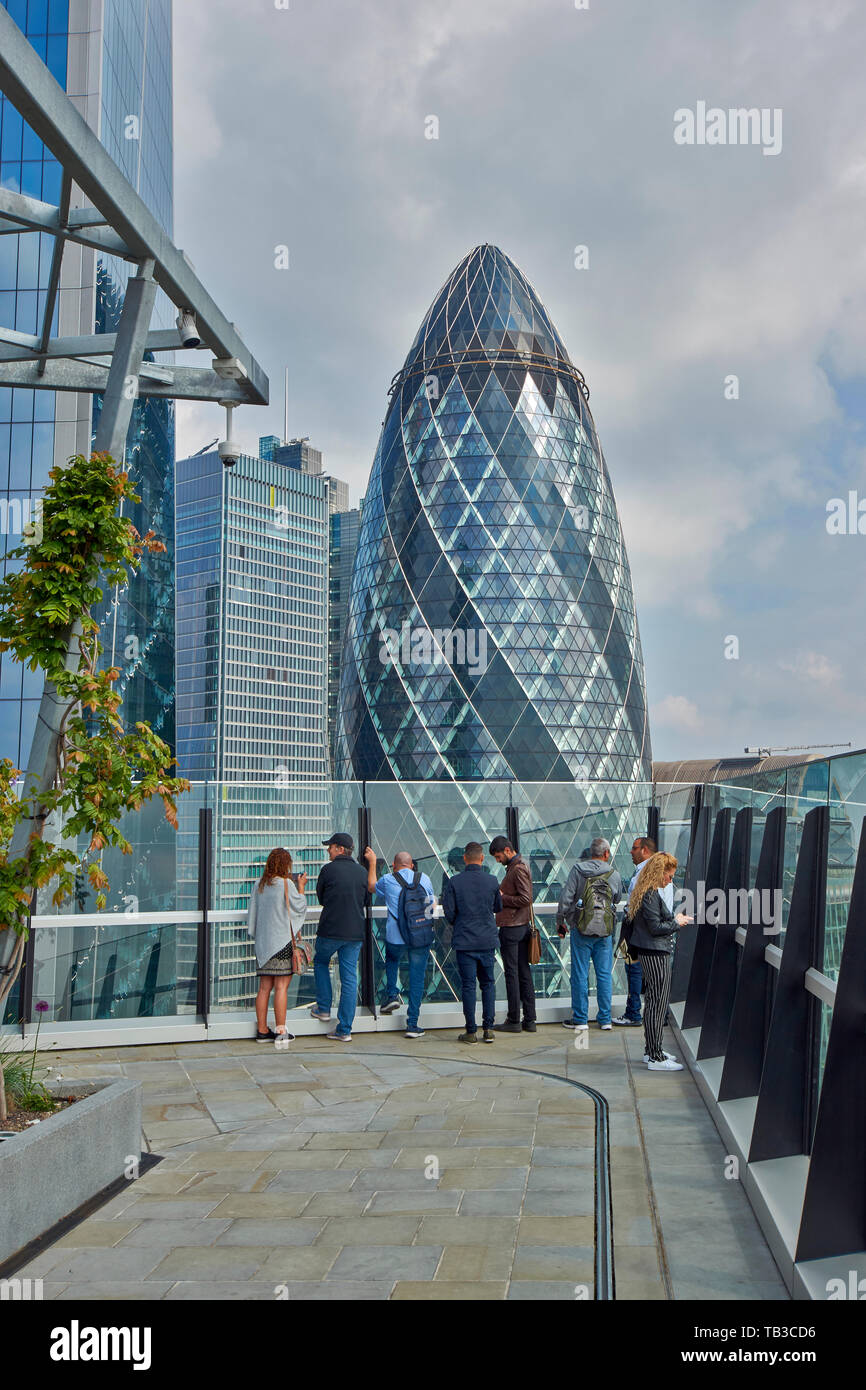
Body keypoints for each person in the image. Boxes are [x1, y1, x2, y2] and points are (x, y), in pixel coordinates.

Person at [623, 851, 693, 1070]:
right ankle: (655, 1056)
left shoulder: (645, 892)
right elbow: (655, 928)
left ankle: (653, 1050)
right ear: (658, 872)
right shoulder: (651, 895)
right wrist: (677, 922)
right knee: (657, 1002)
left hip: (650, 950)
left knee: (654, 1001)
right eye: (669, 876)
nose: (670, 880)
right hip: (655, 952)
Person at [365, 847, 435, 1039]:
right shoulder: (425, 878)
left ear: (394, 866)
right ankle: (412, 1024)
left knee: (392, 959)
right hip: (419, 937)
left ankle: (392, 995)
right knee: (417, 978)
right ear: (412, 865)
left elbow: (371, 886)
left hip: (396, 935)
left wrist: (372, 863)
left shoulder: (389, 879)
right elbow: (432, 905)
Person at [556, 836, 623, 1032]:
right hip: (604, 932)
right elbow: (617, 898)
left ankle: (581, 1019)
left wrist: (561, 921)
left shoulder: (578, 870)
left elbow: (566, 898)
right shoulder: (614, 874)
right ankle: (605, 1019)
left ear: (590, 852)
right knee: (603, 975)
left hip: (581, 928)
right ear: (606, 853)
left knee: (580, 974)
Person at [311, 832, 370, 1041]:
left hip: (330, 929)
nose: (328, 850)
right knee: (349, 978)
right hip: (354, 933)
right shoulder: (362, 872)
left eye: (331, 847)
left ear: (340, 849)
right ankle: (344, 1029)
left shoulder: (328, 870)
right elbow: (365, 899)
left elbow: (321, 898)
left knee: (320, 962)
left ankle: (324, 1008)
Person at [247, 847, 307, 1050]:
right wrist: (301, 887)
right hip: (281, 943)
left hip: (263, 945)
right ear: (286, 865)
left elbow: (252, 915)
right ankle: (281, 1030)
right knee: (281, 987)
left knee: (264, 988)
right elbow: (299, 907)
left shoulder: (259, 884)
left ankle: (262, 1030)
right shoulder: (285, 884)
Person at [442, 842, 502, 1043]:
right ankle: (489, 1028)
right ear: (482, 858)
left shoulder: (455, 882)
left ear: (465, 858)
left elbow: (449, 913)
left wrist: (459, 922)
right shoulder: (492, 881)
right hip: (486, 940)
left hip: (465, 941)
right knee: (488, 984)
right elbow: (497, 907)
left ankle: (470, 1031)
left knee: (468, 986)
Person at [489, 835, 536, 1033]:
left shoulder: (517, 869)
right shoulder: (518, 867)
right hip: (521, 926)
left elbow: (526, 898)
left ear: (508, 850)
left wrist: (502, 898)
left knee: (513, 974)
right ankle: (530, 1019)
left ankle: (514, 1019)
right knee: (523, 972)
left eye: (499, 856)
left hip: (513, 927)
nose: (498, 861)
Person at [613, 836, 657, 1027]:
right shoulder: (649, 870)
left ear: (645, 850)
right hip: (638, 927)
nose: (631, 851)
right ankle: (634, 1011)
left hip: (635, 928)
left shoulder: (645, 872)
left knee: (633, 968)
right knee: (635, 968)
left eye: (634, 848)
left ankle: (633, 1013)